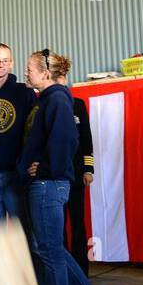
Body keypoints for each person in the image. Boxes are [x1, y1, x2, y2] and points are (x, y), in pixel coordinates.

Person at [20, 49, 107, 285]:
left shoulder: (56, 99)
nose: (26, 72)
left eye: (30, 68)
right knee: (52, 250)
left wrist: (42, 168)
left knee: (51, 254)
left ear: (45, 73)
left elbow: (67, 141)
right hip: (47, 184)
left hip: (47, 185)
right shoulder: (50, 99)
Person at [0, 43, 33, 225]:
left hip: (17, 173)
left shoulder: (25, 93)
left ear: (11, 63)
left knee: (25, 230)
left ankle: (29, 256)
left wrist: (29, 163)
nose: (0, 64)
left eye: (5, 60)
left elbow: (34, 132)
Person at [55, 67, 94, 274]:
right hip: (56, 174)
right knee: (58, 225)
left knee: (78, 222)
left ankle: (81, 270)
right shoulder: (46, 104)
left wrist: (89, 169)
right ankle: (62, 271)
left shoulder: (77, 105)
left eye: (62, 76)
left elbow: (86, 138)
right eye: (56, 76)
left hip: (77, 174)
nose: (60, 80)